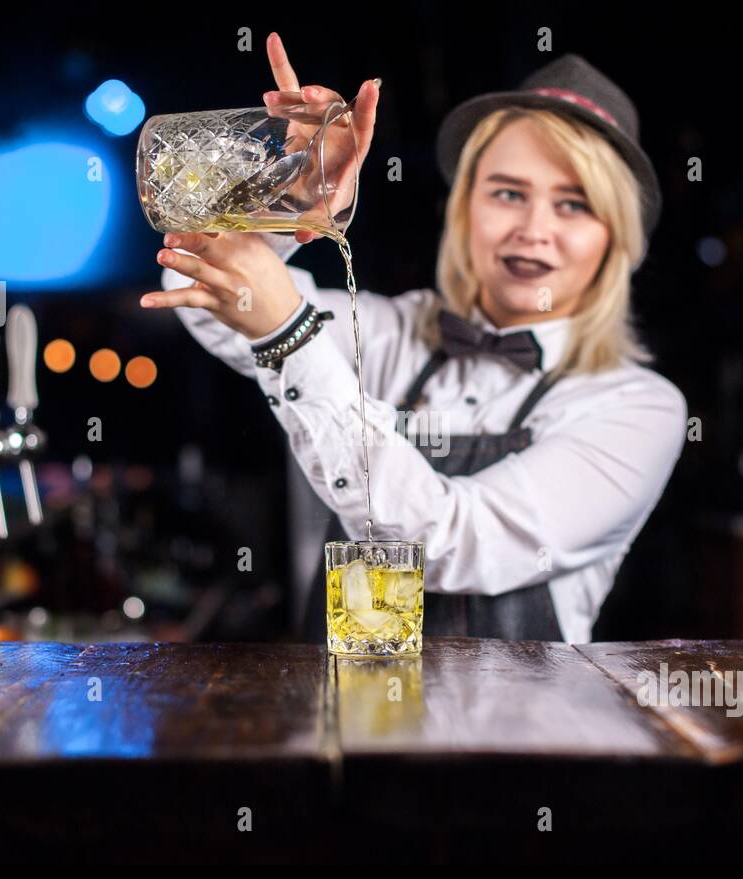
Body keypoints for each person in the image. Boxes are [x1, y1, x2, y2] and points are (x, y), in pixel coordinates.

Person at [142, 33, 687, 644]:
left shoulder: (638, 407)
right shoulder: (392, 333)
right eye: (508, 193)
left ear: (616, 238)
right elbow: (195, 282)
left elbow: (452, 541)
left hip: (527, 739)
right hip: (343, 726)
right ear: (464, 208)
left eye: (574, 205)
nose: (534, 230)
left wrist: (292, 336)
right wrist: (294, 197)